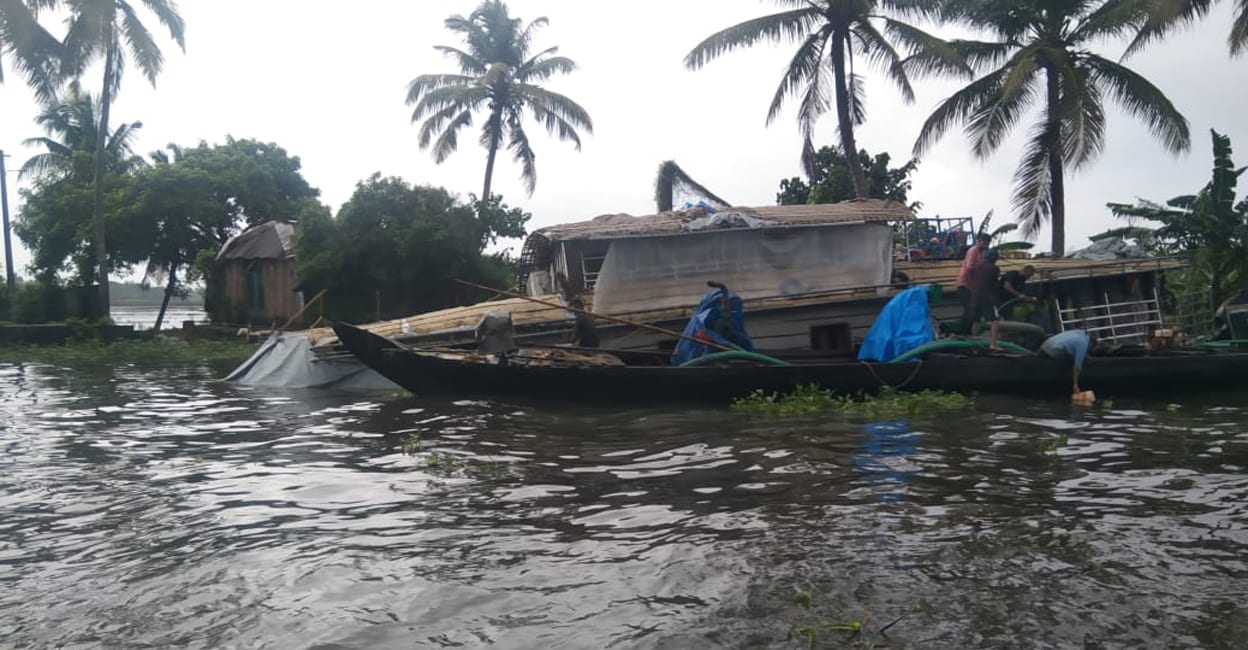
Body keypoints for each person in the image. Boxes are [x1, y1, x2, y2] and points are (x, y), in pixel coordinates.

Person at [956, 233, 992, 334]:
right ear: (979, 241)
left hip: (973, 286)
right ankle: (962, 333)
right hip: (965, 284)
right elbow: (969, 268)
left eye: (987, 243)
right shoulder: (973, 251)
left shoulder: (983, 253)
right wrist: (972, 283)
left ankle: (969, 332)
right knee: (969, 309)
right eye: (984, 243)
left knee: (975, 310)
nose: (986, 245)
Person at [1039, 329, 1092, 395]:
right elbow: (1077, 366)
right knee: (1070, 359)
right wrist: (1075, 384)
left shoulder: (1079, 332)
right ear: (1090, 345)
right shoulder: (1083, 344)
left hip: (1044, 346)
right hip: (1052, 350)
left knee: (1069, 352)